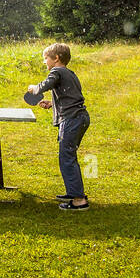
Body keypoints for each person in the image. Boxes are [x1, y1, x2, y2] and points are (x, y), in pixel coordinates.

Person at [26, 42, 91, 210]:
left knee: (66, 158)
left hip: (71, 120)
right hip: (80, 117)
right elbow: (70, 97)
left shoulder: (57, 71)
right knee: (69, 156)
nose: (44, 62)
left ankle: (79, 200)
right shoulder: (70, 73)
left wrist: (34, 89)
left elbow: (46, 85)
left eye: (45, 58)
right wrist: (52, 104)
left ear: (56, 58)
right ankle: (73, 191)